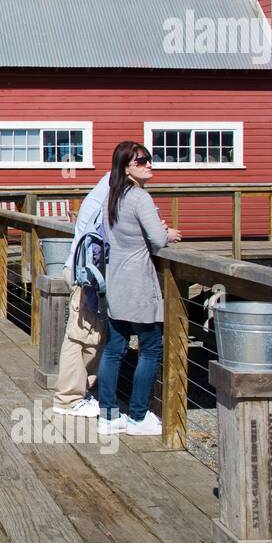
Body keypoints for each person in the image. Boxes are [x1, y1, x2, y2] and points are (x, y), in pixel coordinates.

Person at [96, 142, 182, 435]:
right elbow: (157, 239)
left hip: (117, 281)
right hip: (139, 286)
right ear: (126, 168)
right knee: (150, 349)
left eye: (149, 159)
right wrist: (167, 232)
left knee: (114, 349)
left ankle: (108, 414)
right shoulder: (140, 198)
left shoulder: (114, 196)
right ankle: (138, 415)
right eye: (143, 161)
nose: (150, 165)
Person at [50, 170, 111, 417]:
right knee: (81, 336)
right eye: (140, 162)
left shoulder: (102, 191)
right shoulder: (110, 196)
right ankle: (68, 398)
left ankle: (79, 393)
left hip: (82, 270)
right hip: (85, 274)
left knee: (89, 335)